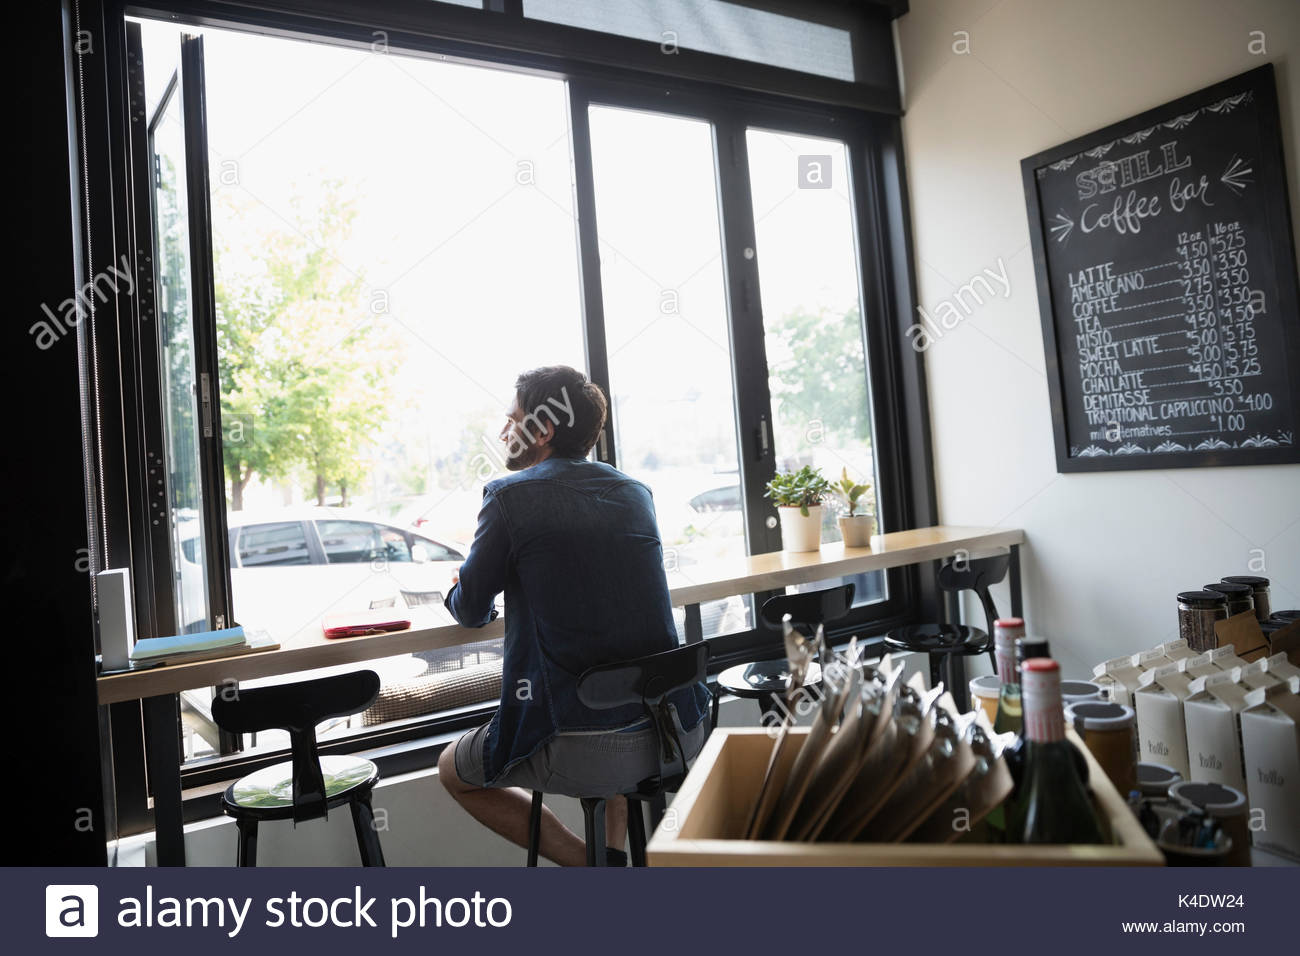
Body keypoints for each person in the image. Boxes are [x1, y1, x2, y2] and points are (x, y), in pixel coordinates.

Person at [437, 365, 709, 866]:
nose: (502, 432)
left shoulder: (508, 497)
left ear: (543, 430)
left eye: (511, 419)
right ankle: (609, 856)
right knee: (618, 692)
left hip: (580, 746)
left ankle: (591, 867)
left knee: (452, 771)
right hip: (676, 729)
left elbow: (473, 611)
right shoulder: (635, 493)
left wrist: (457, 585)